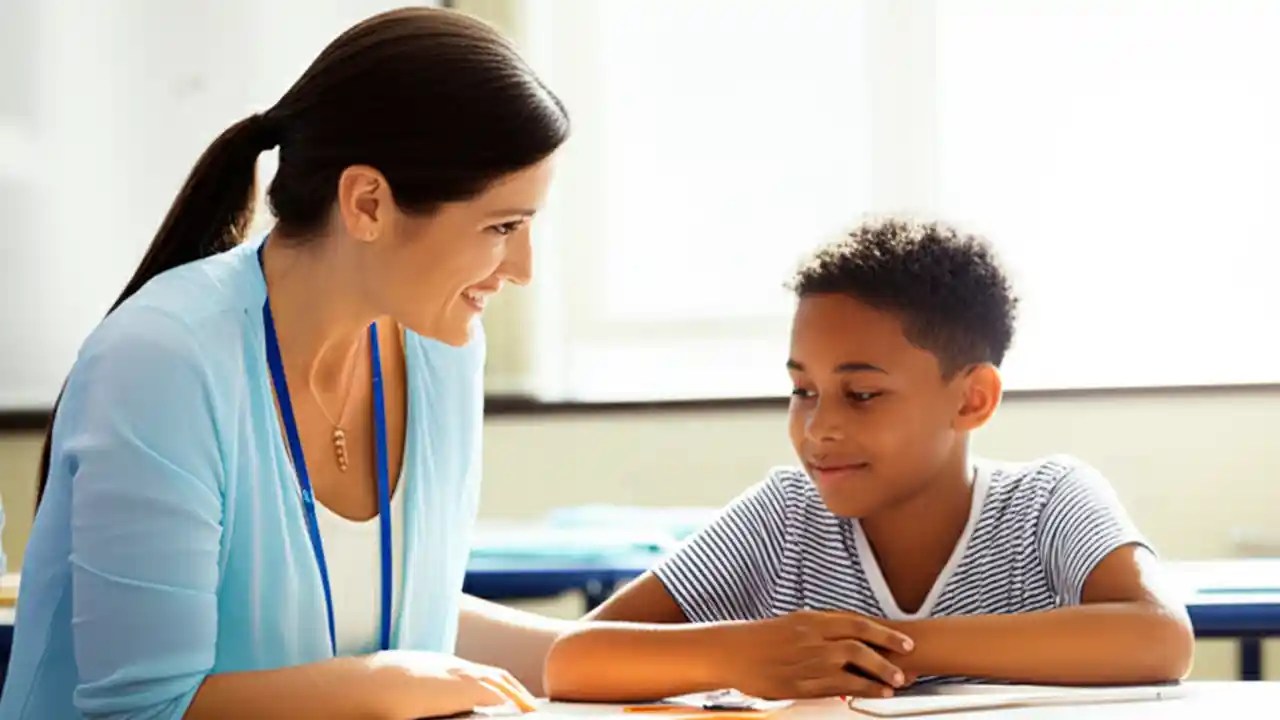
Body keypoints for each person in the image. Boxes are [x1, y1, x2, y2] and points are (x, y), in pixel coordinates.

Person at [0, 8, 571, 719]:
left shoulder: (439, 344)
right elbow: (140, 711)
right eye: (501, 227)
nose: (523, 269)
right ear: (367, 203)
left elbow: (409, 619)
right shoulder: (162, 360)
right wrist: (385, 686)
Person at [543, 219, 1194, 701]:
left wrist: (878, 646)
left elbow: (1160, 637)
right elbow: (574, 660)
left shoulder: (1048, 502)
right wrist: (742, 654)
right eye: (803, 391)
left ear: (971, 399)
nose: (819, 427)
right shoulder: (785, 517)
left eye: (862, 395)